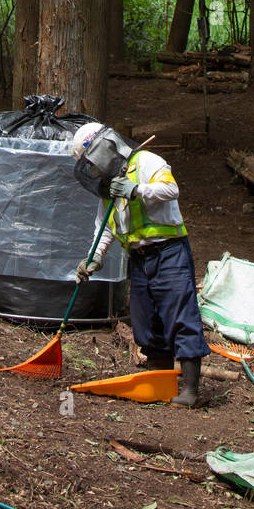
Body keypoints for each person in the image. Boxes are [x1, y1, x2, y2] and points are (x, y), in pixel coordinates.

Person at [71, 122, 210, 408]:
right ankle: (159, 379)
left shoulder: (146, 161)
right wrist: (94, 258)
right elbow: (106, 225)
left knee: (180, 315)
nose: (93, 170)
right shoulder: (109, 186)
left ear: (102, 149)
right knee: (146, 320)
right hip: (139, 258)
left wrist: (137, 190)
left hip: (169, 252)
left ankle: (191, 390)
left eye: (92, 162)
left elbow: (170, 190)